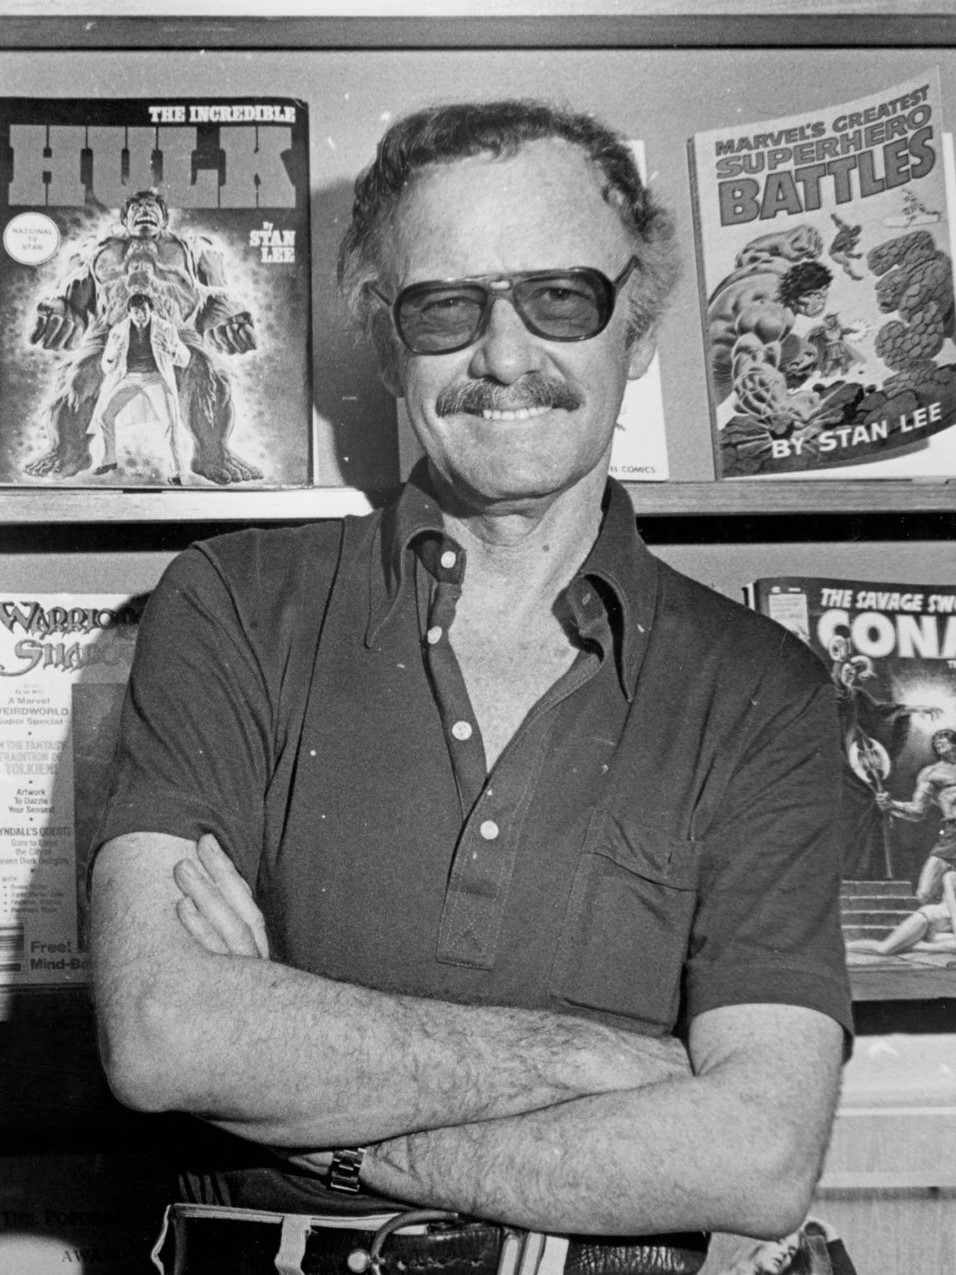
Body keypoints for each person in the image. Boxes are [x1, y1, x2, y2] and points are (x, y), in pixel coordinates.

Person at [89, 99, 851, 1275]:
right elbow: (164, 1032)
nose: (503, 357)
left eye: (560, 299)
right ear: (387, 344)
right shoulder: (232, 604)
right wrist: (594, 1061)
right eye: (445, 307)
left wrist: (341, 1139)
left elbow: (753, 1157)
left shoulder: (764, 690)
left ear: (635, 329)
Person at [87, 292, 191, 483]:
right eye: (135, 312)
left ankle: (176, 472)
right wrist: (112, 355)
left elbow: (184, 358)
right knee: (104, 415)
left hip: (155, 378)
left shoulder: (166, 329)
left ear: (151, 310)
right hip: (129, 377)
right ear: (129, 313)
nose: (140, 315)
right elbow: (106, 366)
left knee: (170, 422)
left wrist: (171, 350)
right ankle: (109, 460)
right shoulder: (118, 332)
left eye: (144, 310)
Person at [876, 727, 956, 903]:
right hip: (953, 834)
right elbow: (918, 811)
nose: (938, 742)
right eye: (936, 740)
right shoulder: (932, 773)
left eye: (944, 738)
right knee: (926, 893)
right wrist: (892, 805)